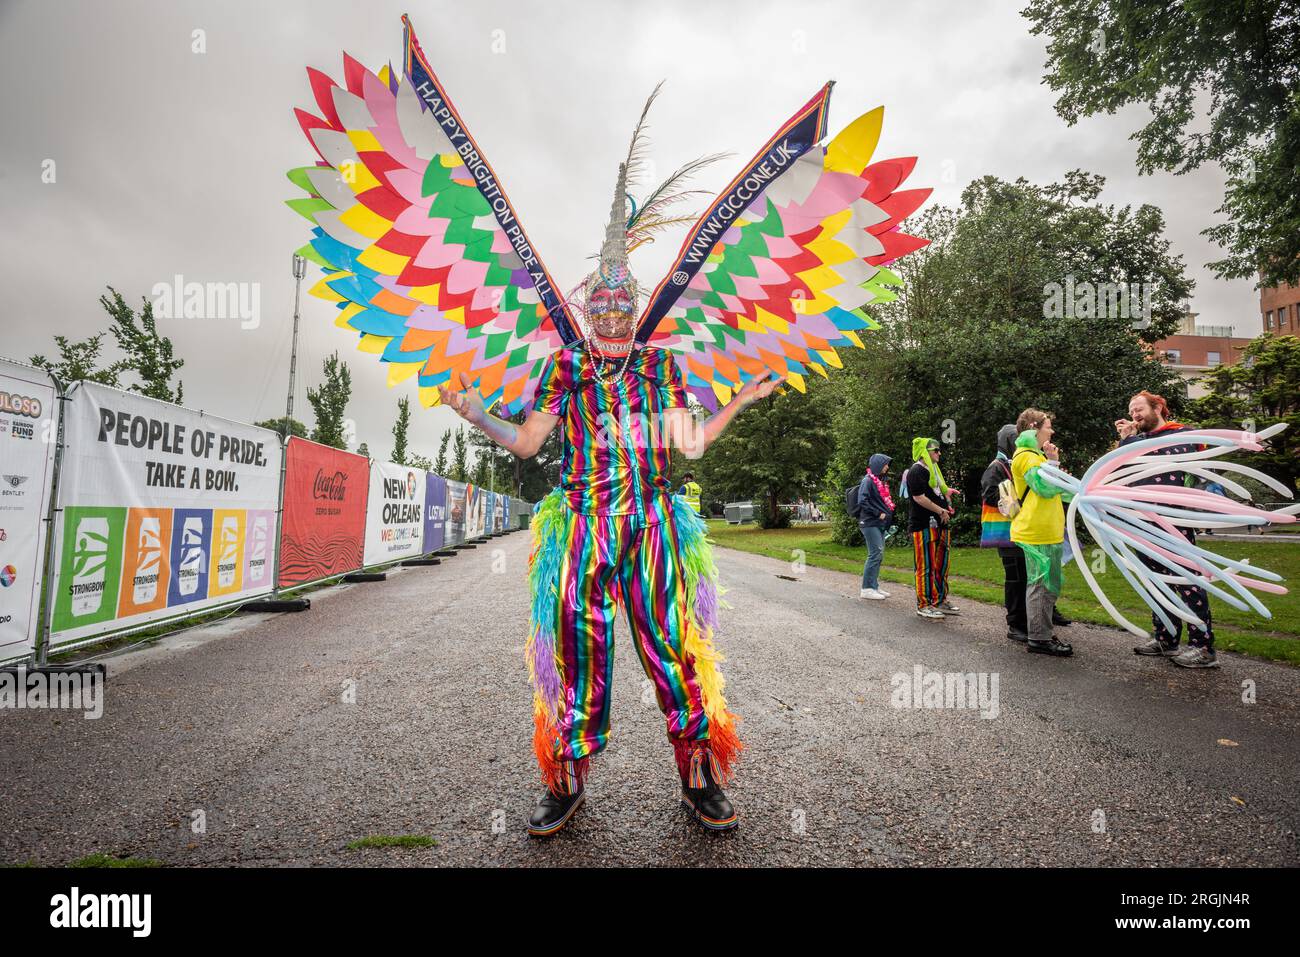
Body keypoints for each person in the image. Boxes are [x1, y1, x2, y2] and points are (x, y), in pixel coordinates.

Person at [441, 164, 783, 836]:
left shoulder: (661, 365)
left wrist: (739, 400)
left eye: (624, 305)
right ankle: (564, 780)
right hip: (582, 525)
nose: (613, 314)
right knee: (576, 646)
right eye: (602, 305)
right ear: (587, 307)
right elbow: (529, 443)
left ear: (636, 306)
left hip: (653, 527)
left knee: (674, 647)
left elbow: (689, 445)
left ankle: (698, 776)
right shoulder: (565, 366)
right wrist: (478, 414)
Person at [1115, 391, 1217, 668]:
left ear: (1158, 407)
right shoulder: (1136, 441)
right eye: (1131, 411)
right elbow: (1114, 472)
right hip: (1140, 521)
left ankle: (1202, 647)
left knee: (1186, 579)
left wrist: (1130, 440)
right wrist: (1124, 442)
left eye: (1139, 409)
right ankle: (1166, 638)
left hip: (1171, 522)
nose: (1134, 415)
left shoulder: (1181, 435)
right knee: (1157, 582)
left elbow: (1164, 456)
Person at [1010, 409, 1074, 657]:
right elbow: (1045, 488)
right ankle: (1039, 638)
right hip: (1036, 532)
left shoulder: (1036, 456)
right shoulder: (1026, 456)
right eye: (1048, 426)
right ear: (1035, 427)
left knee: (1048, 586)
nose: (1052, 431)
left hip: (1047, 530)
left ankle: (1042, 631)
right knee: (1041, 585)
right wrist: (1053, 464)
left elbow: (1061, 490)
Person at [980, 424, 1029, 642]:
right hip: (1006, 534)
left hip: (1020, 530)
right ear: (1008, 441)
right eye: (1015, 439)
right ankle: (1015, 623)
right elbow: (989, 494)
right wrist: (1014, 498)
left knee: (1026, 576)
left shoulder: (1014, 463)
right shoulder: (996, 467)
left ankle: (1028, 618)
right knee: (1015, 578)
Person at [905, 437, 957, 619]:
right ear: (925, 453)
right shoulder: (916, 471)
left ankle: (940, 600)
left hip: (941, 525)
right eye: (935, 450)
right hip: (923, 525)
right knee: (925, 566)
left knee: (941, 565)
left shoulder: (934, 471)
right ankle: (924, 604)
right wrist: (940, 509)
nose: (939, 453)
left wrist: (946, 496)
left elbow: (935, 492)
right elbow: (919, 497)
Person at [857, 454, 894, 600]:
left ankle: (874, 586)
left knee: (878, 555)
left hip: (879, 523)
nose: (887, 467)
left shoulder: (880, 481)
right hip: (869, 523)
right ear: (878, 464)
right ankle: (867, 589)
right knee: (874, 554)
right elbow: (862, 501)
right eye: (885, 464)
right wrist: (878, 513)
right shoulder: (867, 481)